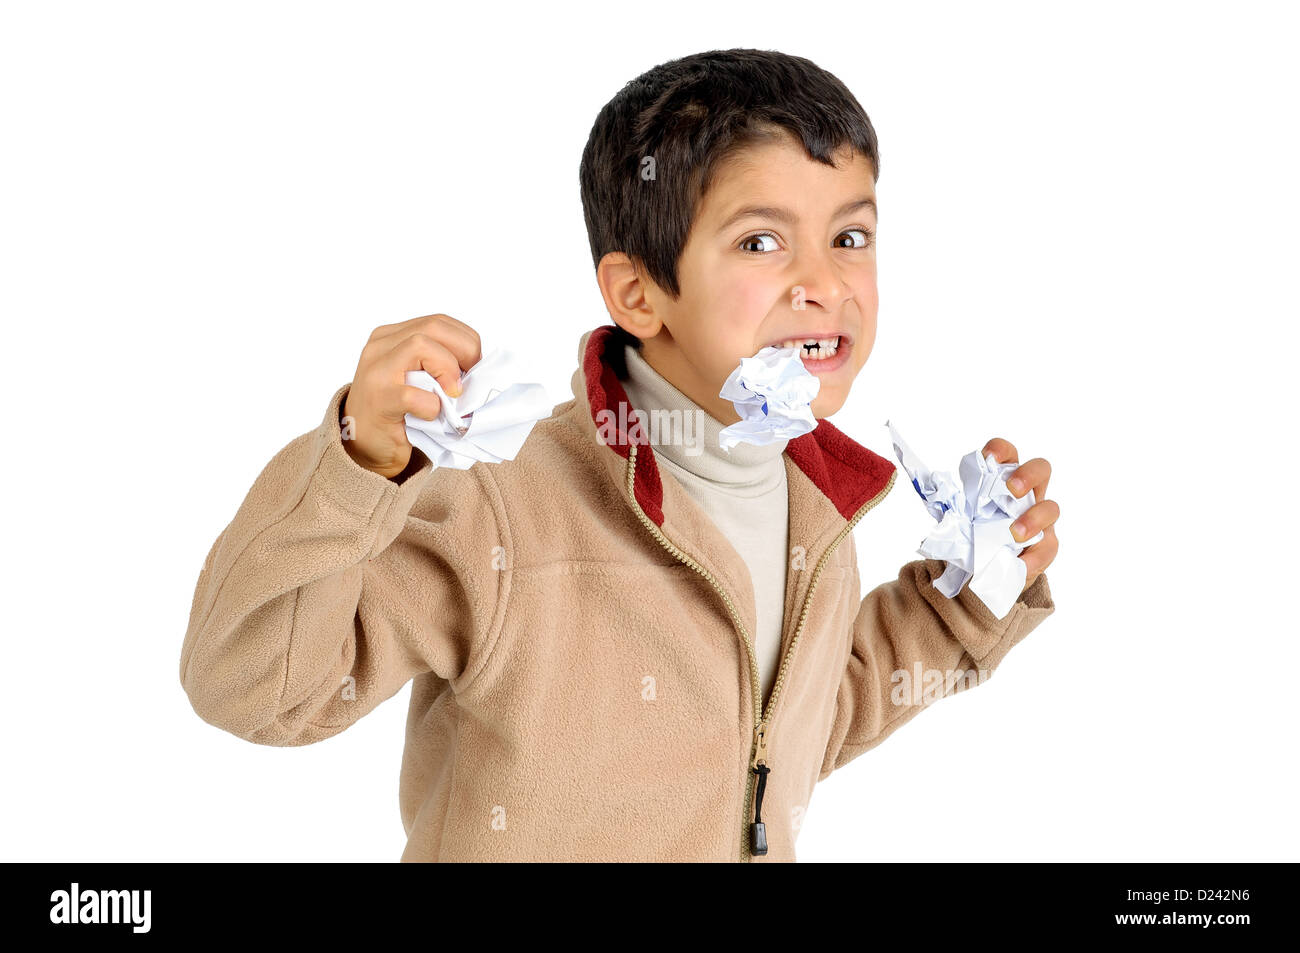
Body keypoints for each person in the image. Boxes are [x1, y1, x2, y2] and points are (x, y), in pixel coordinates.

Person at [180, 48, 1059, 862]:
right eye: (761, 241)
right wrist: (356, 465)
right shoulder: (504, 510)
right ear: (639, 292)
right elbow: (253, 686)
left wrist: (968, 600)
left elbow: (788, 730)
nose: (825, 284)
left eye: (850, 237)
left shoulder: (815, 507)